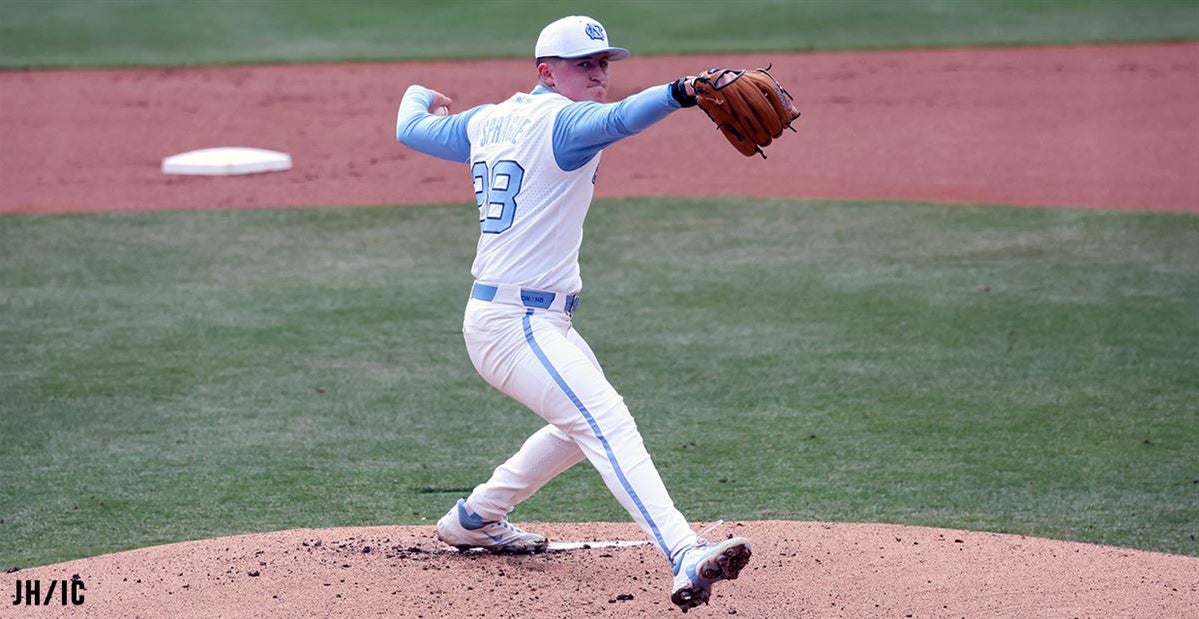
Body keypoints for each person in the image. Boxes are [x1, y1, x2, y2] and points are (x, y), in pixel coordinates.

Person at [394, 15, 751, 611]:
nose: (599, 75)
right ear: (547, 72)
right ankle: (684, 553)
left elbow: (411, 129)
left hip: (517, 320)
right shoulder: (566, 121)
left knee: (576, 424)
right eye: (585, 65)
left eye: (604, 64)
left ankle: (477, 517)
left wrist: (417, 95)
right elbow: (620, 118)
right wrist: (682, 91)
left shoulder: (486, 120)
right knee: (605, 420)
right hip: (516, 326)